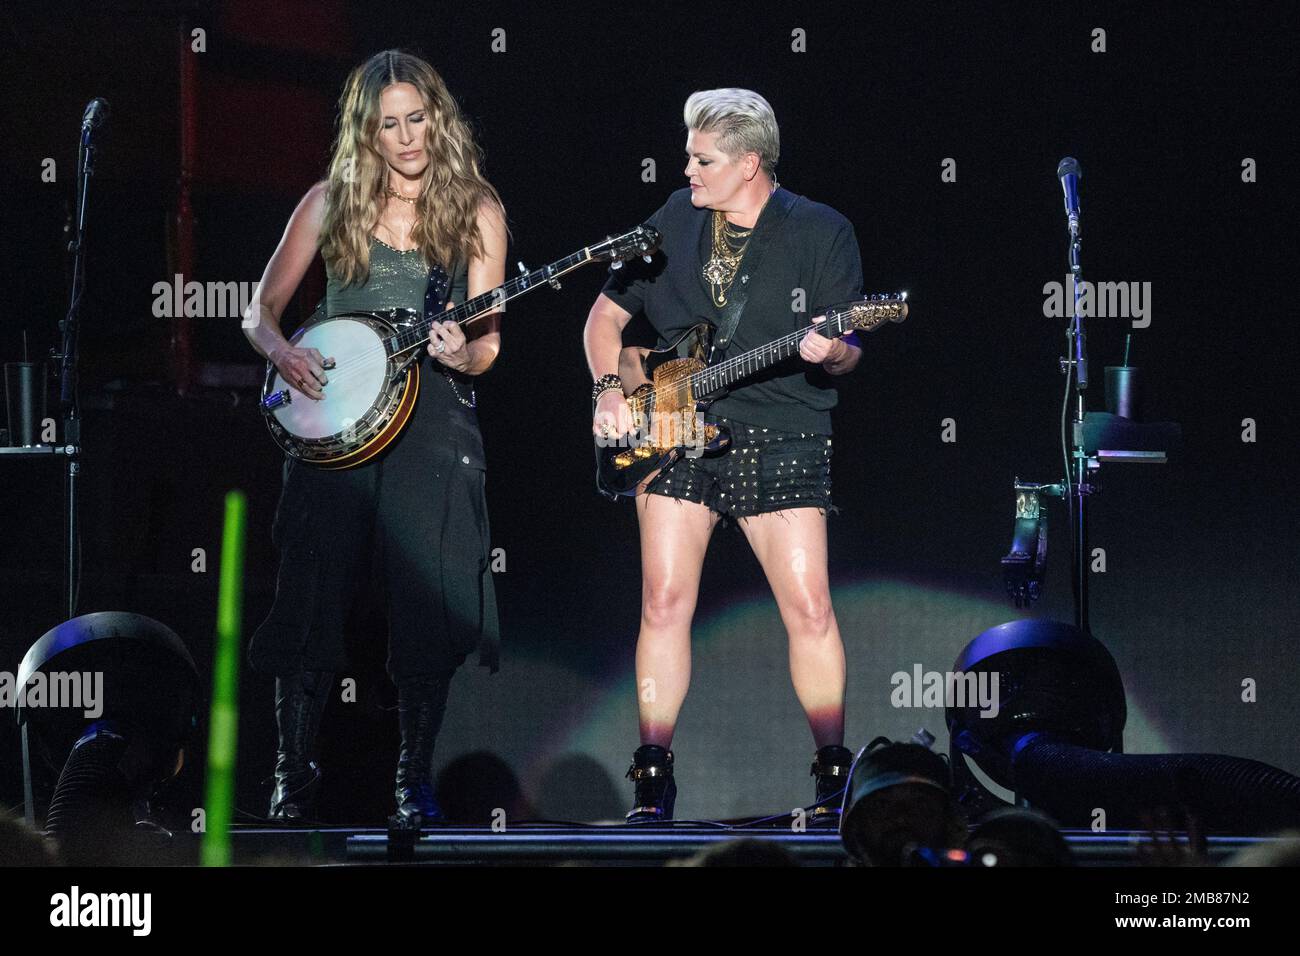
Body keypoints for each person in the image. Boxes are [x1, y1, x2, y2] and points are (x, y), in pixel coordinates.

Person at [241, 49, 507, 829]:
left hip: (432, 412)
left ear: (438, 118)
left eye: (417, 119)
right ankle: (292, 774)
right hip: (335, 417)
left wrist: (468, 352)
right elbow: (257, 310)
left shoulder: (477, 208)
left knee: (427, 598)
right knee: (310, 588)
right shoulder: (331, 201)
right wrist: (285, 351)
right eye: (389, 124)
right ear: (368, 131)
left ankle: (411, 781)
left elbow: (491, 342)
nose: (406, 137)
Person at [584, 88, 864, 823]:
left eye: (702, 159)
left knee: (808, 608)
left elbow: (846, 355)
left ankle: (835, 774)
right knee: (663, 601)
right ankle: (652, 777)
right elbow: (606, 316)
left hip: (783, 428)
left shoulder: (821, 230)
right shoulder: (674, 220)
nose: (687, 170)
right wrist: (610, 387)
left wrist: (832, 349)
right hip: (674, 426)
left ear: (749, 164)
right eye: (687, 155)